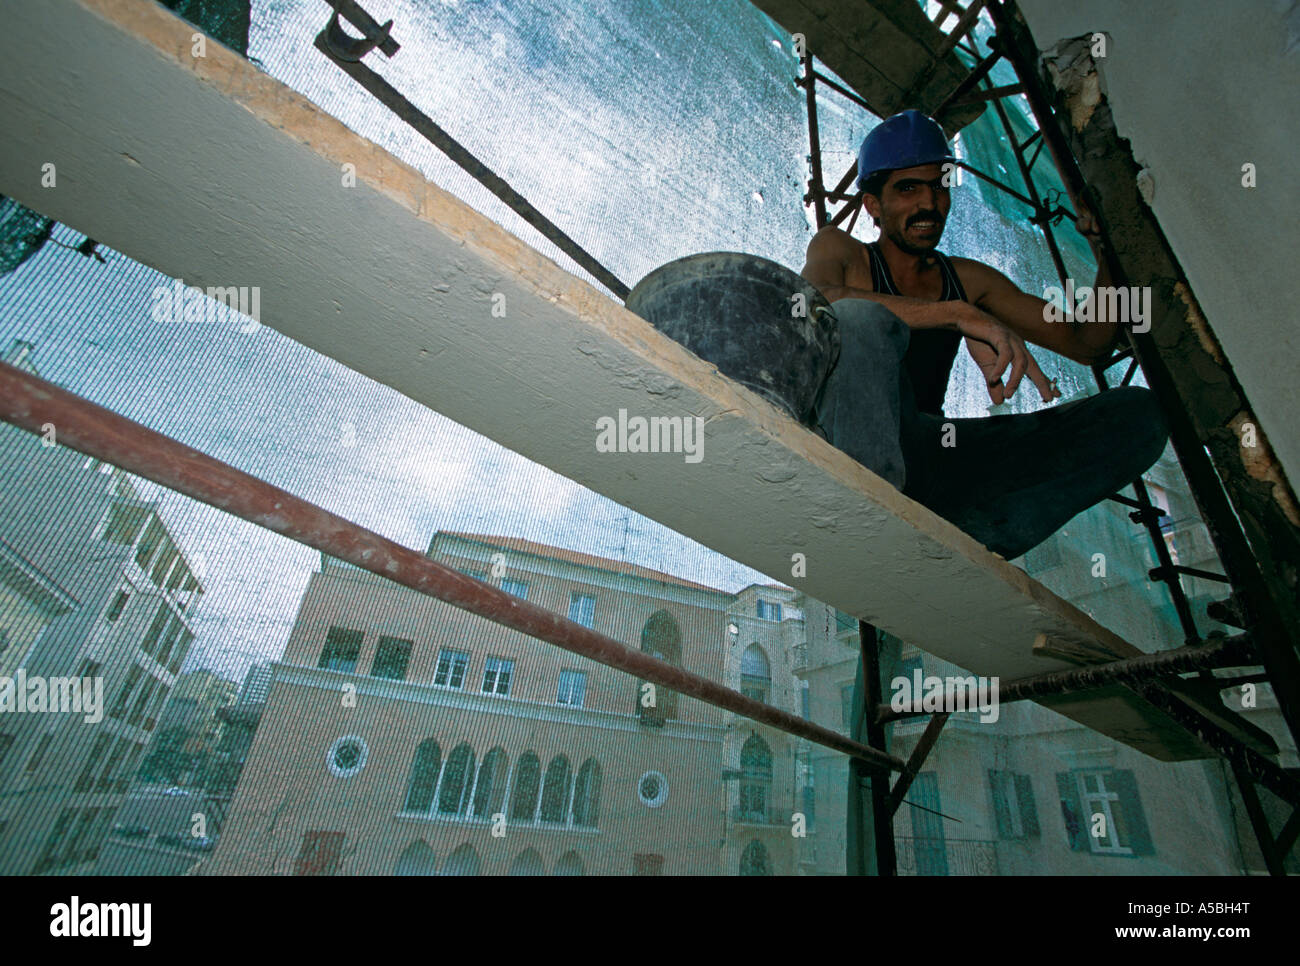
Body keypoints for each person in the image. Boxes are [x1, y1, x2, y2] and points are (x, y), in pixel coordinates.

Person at [801, 109, 1168, 562]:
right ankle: (872, 515)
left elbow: (1087, 342)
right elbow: (816, 303)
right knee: (859, 319)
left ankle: (977, 536)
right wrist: (954, 314)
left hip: (932, 456)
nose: (929, 204)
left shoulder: (968, 279)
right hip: (851, 454)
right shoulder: (841, 251)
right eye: (908, 189)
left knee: (1137, 413)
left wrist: (1109, 248)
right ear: (874, 205)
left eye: (939, 186)